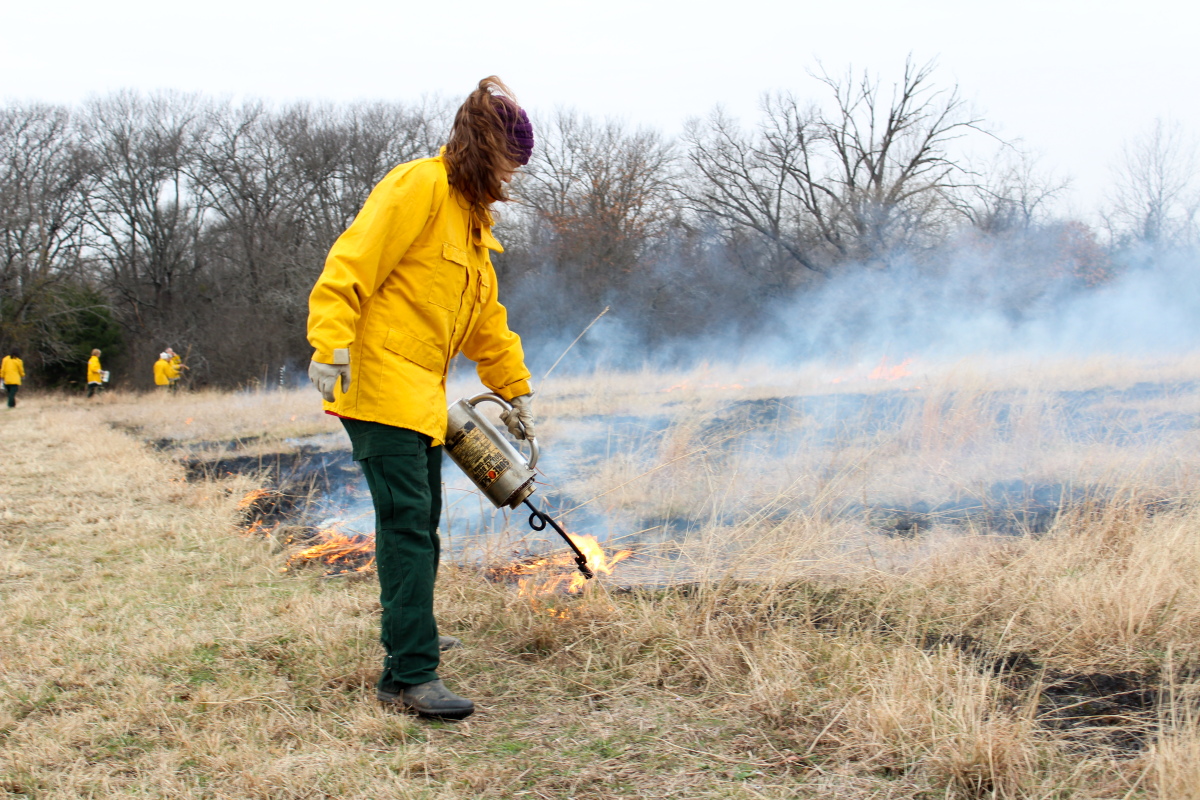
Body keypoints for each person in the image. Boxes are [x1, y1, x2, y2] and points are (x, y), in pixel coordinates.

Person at [306, 76, 538, 721]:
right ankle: (408, 676)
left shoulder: (471, 221)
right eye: (508, 162)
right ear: (485, 145)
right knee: (408, 527)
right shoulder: (419, 185)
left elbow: (486, 320)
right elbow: (350, 263)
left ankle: (414, 639)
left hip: (420, 398)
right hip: (377, 386)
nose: (510, 178)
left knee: (422, 523)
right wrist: (329, 346)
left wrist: (515, 391)